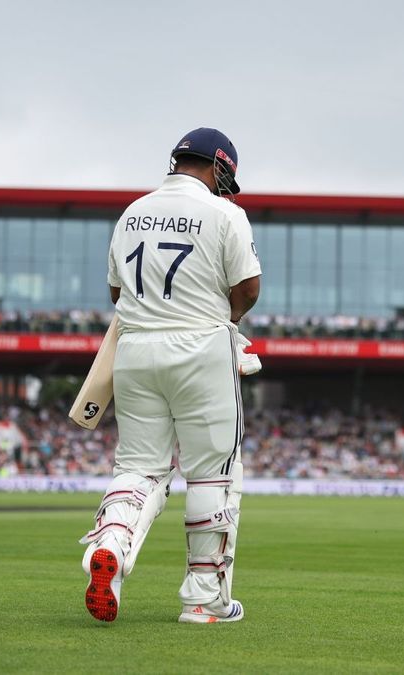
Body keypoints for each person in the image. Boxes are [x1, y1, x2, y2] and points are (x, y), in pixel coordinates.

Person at [79, 128, 261, 624]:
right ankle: (204, 599)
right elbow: (248, 289)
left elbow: (117, 294)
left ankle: (111, 545)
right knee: (212, 473)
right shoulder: (225, 213)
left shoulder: (132, 213)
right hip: (201, 346)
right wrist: (219, 316)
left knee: (139, 467)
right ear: (219, 166)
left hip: (135, 349)